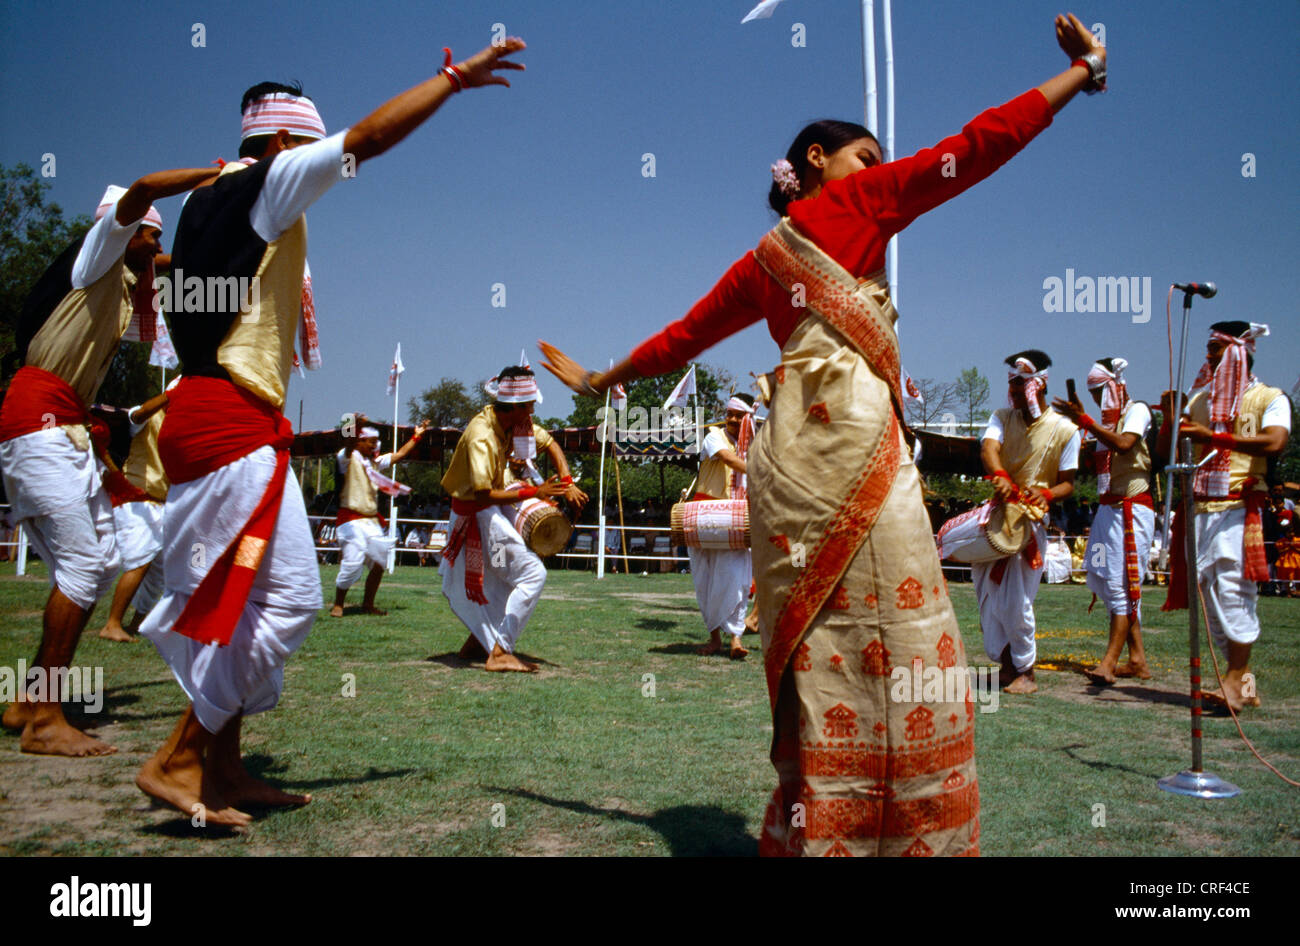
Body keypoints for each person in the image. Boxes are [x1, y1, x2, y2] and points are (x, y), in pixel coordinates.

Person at [541, 13, 1108, 857]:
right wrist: (1079, 74)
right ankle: (905, 825)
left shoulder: (762, 261)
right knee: (907, 629)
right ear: (817, 162)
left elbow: (681, 337)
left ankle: (824, 820)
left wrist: (604, 379)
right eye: (866, 155)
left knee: (823, 635)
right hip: (855, 440)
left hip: (791, 457)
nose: (883, 169)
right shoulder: (858, 202)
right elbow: (977, 146)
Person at [136, 39, 529, 826]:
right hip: (230, 424)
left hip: (210, 418)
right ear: (283, 143)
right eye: (304, 146)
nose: (312, 159)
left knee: (242, 604)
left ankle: (224, 768)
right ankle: (180, 754)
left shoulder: (202, 198)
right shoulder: (266, 184)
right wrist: (451, 82)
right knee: (289, 601)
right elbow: (366, 142)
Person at [0, 172, 216, 756]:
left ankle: (28, 699)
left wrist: (219, 243)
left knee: (94, 567)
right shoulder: (97, 251)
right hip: (39, 421)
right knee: (80, 568)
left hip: (62, 425)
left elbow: (171, 260)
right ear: (127, 228)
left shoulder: (121, 278)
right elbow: (144, 186)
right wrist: (215, 179)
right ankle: (45, 718)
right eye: (149, 235)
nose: (153, 246)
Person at [1159, 321, 1291, 712]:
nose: (1208, 357)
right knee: (1208, 594)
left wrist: (1216, 438)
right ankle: (1243, 683)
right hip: (1200, 505)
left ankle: (1235, 682)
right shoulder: (1198, 401)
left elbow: (1275, 442)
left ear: (1238, 353)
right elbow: (1167, 450)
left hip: (1240, 505)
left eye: (1216, 351)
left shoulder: (1270, 397)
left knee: (1234, 591)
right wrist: (1170, 418)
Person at [439, 366, 587, 671]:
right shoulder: (481, 436)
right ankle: (500, 652)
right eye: (530, 403)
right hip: (477, 512)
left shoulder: (515, 424)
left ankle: (476, 644)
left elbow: (551, 444)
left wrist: (567, 481)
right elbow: (482, 496)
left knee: (502, 581)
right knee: (532, 574)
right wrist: (537, 490)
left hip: (484, 510)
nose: (534, 408)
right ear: (516, 406)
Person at [973, 351, 1079, 694]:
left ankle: (1026, 672)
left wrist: (1045, 495)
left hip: (1030, 523)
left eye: (1021, 386)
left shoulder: (1066, 429)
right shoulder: (1002, 416)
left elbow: (1068, 483)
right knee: (987, 590)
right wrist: (1001, 474)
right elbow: (989, 448)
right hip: (996, 516)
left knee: (1015, 599)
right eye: (1012, 386)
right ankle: (1006, 666)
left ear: (1039, 384)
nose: (1015, 393)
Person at [1052, 357, 1154, 683]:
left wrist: (1085, 420)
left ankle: (1109, 663)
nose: (1096, 399)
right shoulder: (1105, 424)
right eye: (1091, 393)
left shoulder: (1136, 411)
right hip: (1108, 511)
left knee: (1122, 586)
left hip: (1131, 509)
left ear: (1113, 386)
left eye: (1099, 391)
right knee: (1109, 583)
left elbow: (1124, 445)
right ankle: (1137, 659)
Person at [330, 421, 428, 616]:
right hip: (351, 521)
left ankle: (368, 604)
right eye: (371, 441)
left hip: (372, 522)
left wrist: (417, 435)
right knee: (352, 563)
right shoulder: (347, 457)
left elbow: (399, 455)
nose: (375, 445)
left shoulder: (374, 462)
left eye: (376, 442)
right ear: (359, 441)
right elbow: (348, 445)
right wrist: (351, 422)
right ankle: (338, 603)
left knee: (379, 563)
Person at [99, 390, 172, 643]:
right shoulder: (148, 415)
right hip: (137, 499)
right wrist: (172, 394)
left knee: (159, 570)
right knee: (140, 560)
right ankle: (112, 623)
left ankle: (136, 623)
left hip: (164, 503)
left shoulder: (186, 423)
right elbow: (136, 415)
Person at [689, 393, 756, 659]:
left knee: (736, 578)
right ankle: (715, 638)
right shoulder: (714, 436)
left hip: (737, 518)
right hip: (705, 516)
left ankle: (735, 640)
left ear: (748, 418)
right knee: (705, 579)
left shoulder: (754, 446)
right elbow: (728, 459)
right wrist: (764, 469)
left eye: (738, 415)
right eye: (729, 413)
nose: (731, 419)